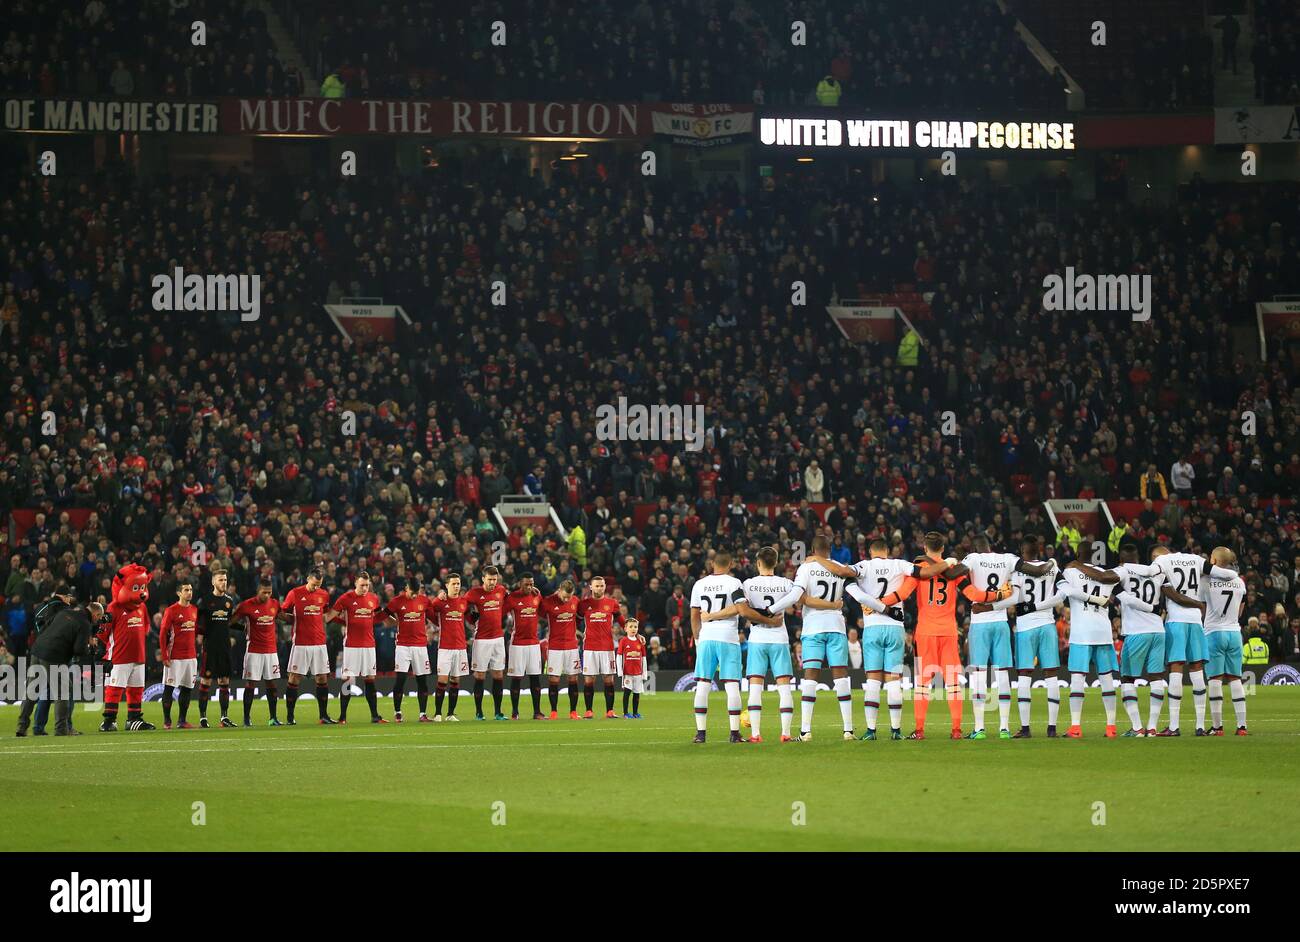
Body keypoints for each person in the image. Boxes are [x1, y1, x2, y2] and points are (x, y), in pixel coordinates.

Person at [820, 540, 953, 740]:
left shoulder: (864, 566)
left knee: (873, 679)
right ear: (887, 551)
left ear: (869, 552)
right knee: (894, 680)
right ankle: (896, 731)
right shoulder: (899, 564)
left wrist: (818, 560)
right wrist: (948, 562)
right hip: (895, 626)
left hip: (872, 626)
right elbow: (925, 573)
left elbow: (844, 572)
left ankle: (871, 731)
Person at [959, 537, 1054, 739]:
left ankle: (979, 729)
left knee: (979, 676)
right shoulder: (1008, 558)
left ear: (977, 548)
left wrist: (968, 592)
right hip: (1001, 622)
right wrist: (1052, 562)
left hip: (980, 623)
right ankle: (1004, 729)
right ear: (991, 547)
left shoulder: (973, 558)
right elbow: (1025, 581)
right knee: (1003, 675)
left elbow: (957, 573)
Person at [767, 536, 856, 741]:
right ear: (830, 549)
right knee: (841, 675)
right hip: (836, 626)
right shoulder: (839, 567)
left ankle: (806, 731)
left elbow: (795, 596)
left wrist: (771, 609)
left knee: (810, 675)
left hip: (813, 627)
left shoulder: (806, 568)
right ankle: (849, 730)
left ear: (813, 550)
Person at [701, 545, 792, 742]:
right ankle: (785, 733)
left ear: (757, 563)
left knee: (755, 687)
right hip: (780, 638)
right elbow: (795, 602)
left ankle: (755, 734)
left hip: (757, 639)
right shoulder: (786, 583)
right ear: (776, 563)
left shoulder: (748, 584)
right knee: (784, 687)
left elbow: (743, 609)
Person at [688, 551, 755, 743]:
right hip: (728, 637)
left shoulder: (699, 584)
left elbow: (694, 615)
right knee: (732, 685)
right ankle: (735, 733)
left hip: (706, 637)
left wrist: (697, 639)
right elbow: (740, 609)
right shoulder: (734, 583)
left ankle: (701, 734)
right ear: (731, 564)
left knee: (702, 685)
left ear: (711, 564)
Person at [17, 594, 100, 737]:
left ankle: (21, 727)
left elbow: (46, 626)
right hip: (54, 656)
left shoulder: (65, 612)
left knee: (31, 691)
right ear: (95, 614)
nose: (98, 621)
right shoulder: (85, 624)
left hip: (37, 650)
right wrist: (90, 646)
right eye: (98, 617)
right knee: (63, 693)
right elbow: (79, 650)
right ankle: (61, 729)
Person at [1057, 561, 1121, 738]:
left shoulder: (1070, 572)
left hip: (1081, 633)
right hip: (1103, 631)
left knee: (1077, 678)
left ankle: (1076, 727)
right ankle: (1111, 728)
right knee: (1107, 679)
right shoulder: (1106, 573)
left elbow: (1063, 593)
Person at [1110, 545, 1168, 738]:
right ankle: (1152, 727)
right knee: (1156, 677)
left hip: (1136, 632)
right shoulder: (1156, 571)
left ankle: (1137, 728)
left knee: (1127, 678)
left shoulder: (1122, 570)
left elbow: (1111, 583)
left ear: (1122, 559)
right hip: (1158, 630)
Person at [1199, 548, 1248, 735]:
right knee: (1235, 679)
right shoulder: (1239, 581)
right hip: (1234, 632)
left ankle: (1217, 727)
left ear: (1214, 560)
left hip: (1213, 632)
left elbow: (1201, 608)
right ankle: (1242, 727)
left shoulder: (1206, 580)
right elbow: (1240, 612)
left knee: (1215, 680)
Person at [326, 571, 385, 724]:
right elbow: (330, 617)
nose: (365, 588)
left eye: (367, 585)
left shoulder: (373, 598)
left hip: (369, 645)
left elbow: (378, 617)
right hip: (352, 645)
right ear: (355, 584)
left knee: (370, 679)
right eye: (362, 585)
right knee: (348, 680)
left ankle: (374, 715)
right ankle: (342, 717)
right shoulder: (346, 598)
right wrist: (344, 623)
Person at [280, 567, 335, 725]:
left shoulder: (324, 595)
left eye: (319, 584)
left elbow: (325, 614)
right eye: (314, 584)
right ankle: (290, 717)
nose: (316, 587)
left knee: (322, 677)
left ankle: (323, 716)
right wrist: (293, 620)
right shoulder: (295, 593)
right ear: (308, 579)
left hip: (319, 643)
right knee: (294, 677)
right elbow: (282, 612)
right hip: (301, 643)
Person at [232, 578, 283, 727]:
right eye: (264, 592)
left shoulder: (274, 604)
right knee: (251, 683)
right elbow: (231, 621)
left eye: (269, 592)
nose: (267, 595)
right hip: (254, 650)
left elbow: (282, 616)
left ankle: (273, 718)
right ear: (258, 591)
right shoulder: (247, 605)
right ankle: (246, 719)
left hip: (271, 650)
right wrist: (243, 629)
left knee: (271, 683)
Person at [383, 578, 435, 722]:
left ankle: (422, 714)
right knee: (400, 679)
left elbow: (433, 617)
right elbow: (384, 616)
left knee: (422, 681)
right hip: (403, 646)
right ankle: (397, 712)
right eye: (412, 592)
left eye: (417, 592)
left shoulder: (424, 601)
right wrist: (395, 622)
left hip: (420, 646)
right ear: (406, 588)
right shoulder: (396, 601)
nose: (414, 595)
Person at [464, 566, 508, 721]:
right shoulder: (474, 593)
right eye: (489, 579)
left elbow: (512, 599)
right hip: (481, 639)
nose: (492, 583)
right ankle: (479, 712)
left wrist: (533, 589)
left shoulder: (501, 590)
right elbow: (461, 606)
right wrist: (471, 619)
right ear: (483, 578)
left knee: (498, 674)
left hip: (498, 639)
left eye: (494, 580)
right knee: (480, 675)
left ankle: (498, 712)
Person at [196, 567, 238, 729]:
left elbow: (229, 623)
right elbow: (198, 624)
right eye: (220, 580)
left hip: (224, 647)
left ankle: (224, 717)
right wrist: (200, 638)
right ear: (213, 582)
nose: (224, 582)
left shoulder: (229, 601)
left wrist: (238, 633)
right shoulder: (205, 601)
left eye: (225, 580)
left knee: (224, 681)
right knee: (206, 681)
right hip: (210, 647)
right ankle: (203, 718)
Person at [578, 575, 623, 719]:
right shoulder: (583, 604)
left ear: (605, 587)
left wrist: (633, 634)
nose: (599, 588)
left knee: (608, 679)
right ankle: (588, 710)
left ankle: (610, 711)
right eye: (596, 586)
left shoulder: (612, 603)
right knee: (588, 680)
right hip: (589, 647)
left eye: (601, 585)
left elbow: (621, 620)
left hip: (607, 647)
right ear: (591, 587)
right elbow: (574, 620)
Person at [428, 573, 471, 721]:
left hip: (460, 647)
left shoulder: (463, 602)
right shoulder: (440, 602)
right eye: (453, 583)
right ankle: (438, 713)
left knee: (456, 680)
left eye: (458, 583)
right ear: (447, 586)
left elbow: (471, 617)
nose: (457, 586)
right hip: (445, 647)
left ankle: (450, 714)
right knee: (442, 680)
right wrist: (436, 598)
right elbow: (428, 611)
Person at [159, 582, 200, 729]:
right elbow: (163, 634)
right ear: (179, 593)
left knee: (187, 689)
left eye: (190, 590)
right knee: (169, 688)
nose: (189, 592)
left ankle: (182, 721)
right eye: (186, 590)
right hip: (175, 657)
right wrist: (164, 655)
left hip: (191, 657)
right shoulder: (171, 610)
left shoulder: (195, 610)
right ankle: (167, 721)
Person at [504, 574, 544, 720]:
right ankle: (515, 712)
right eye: (526, 584)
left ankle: (537, 712)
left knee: (535, 678)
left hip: (534, 644)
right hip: (517, 644)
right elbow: (499, 612)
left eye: (531, 584)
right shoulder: (512, 598)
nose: (529, 587)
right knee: (516, 679)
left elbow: (544, 611)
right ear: (520, 584)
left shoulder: (537, 596)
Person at [541, 580, 581, 719]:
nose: (566, 599)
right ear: (559, 590)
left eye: (568, 597)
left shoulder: (576, 601)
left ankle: (573, 712)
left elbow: (581, 617)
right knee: (554, 679)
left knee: (573, 678)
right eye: (564, 596)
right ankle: (553, 712)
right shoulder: (548, 601)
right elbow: (537, 612)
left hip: (572, 646)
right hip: (554, 647)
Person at [617, 618, 646, 719]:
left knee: (637, 693)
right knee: (627, 692)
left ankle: (635, 712)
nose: (633, 629)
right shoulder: (624, 641)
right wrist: (620, 671)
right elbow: (619, 656)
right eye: (630, 627)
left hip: (638, 672)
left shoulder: (640, 641)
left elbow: (643, 658)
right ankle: (625, 713)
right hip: (627, 672)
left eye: (635, 627)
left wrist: (644, 673)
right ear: (625, 629)